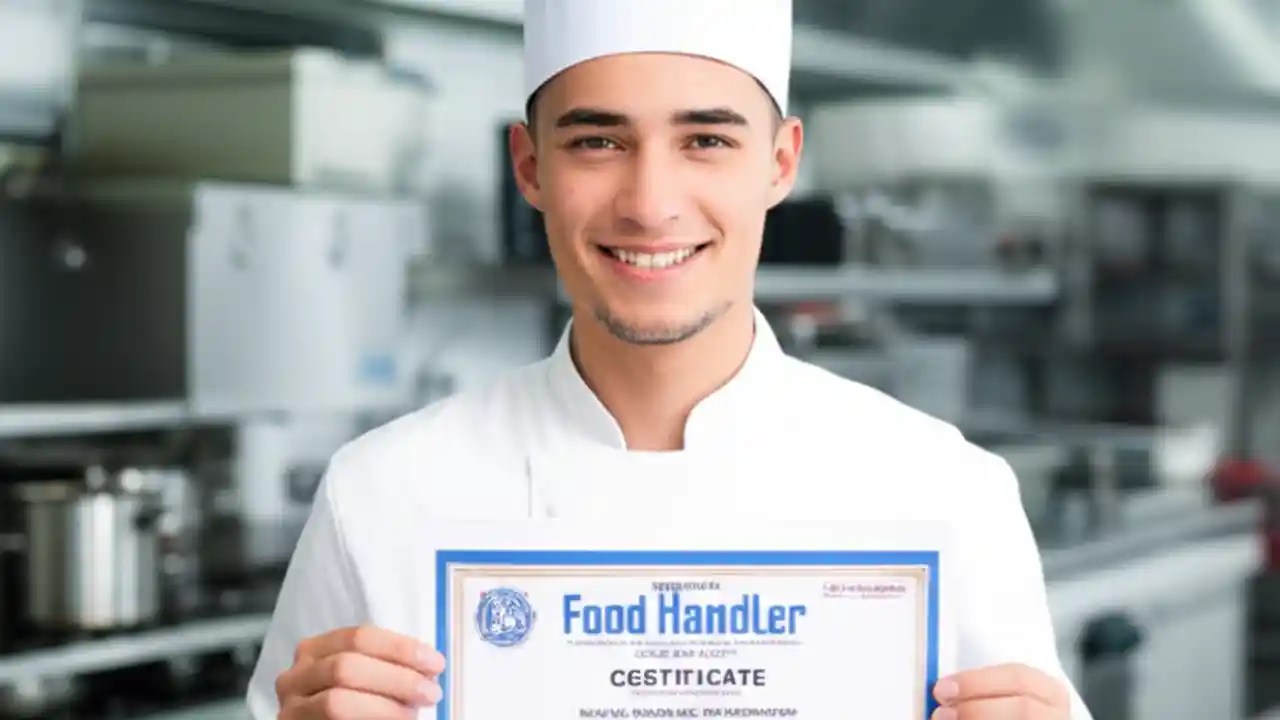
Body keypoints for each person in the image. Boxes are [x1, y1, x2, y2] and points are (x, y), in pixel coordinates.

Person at [246, 1, 1091, 718]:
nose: (651, 204)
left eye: (706, 142)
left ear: (781, 161)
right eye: (599, 142)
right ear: (530, 167)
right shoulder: (382, 495)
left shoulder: (945, 491)